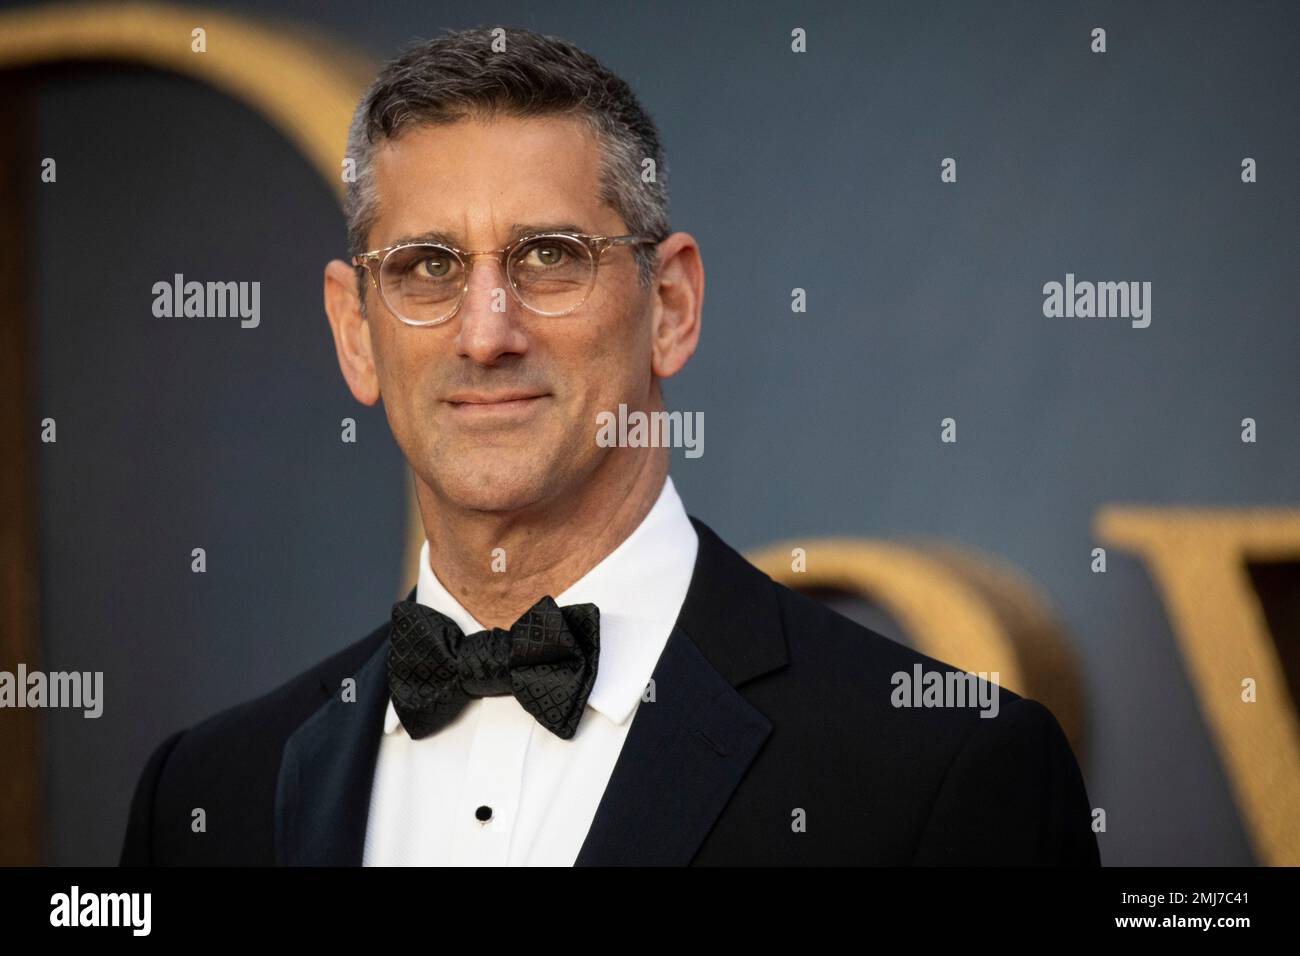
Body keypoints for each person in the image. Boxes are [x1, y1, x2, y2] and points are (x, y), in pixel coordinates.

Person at [120, 26, 1099, 866]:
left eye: (550, 257)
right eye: (426, 267)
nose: (486, 331)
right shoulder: (206, 797)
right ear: (353, 329)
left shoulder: (945, 771)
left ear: (669, 306)